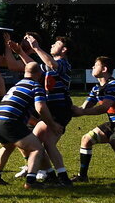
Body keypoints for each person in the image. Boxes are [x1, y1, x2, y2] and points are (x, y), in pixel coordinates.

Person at [9, 34, 74, 186]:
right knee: (35, 142)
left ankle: (62, 178)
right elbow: (33, 67)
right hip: (52, 109)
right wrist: (21, 53)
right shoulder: (49, 64)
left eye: (56, 43)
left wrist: (36, 47)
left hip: (60, 109)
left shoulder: (64, 63)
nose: (52, 45)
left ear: (64, 49)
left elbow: (52, 65)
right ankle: (50, 174)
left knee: (49, 143)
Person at [0, 60, 63, 190]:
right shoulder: (35, 86)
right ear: (39, 73)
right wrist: (52, 124)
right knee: (36, 149)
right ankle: (31, 181)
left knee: (7, 147)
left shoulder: (16, 85)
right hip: (10, 121)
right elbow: (40, 107)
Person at [71, 56, 115, 185]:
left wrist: (81, 111)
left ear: (104, 69)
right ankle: (82, 176)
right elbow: (84, 108)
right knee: (86, 139)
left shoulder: (114, 85)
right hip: (114, 123)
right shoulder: (96, 89)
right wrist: (67, 112)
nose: (92, 67)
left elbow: (103, 108)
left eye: (95, 65)